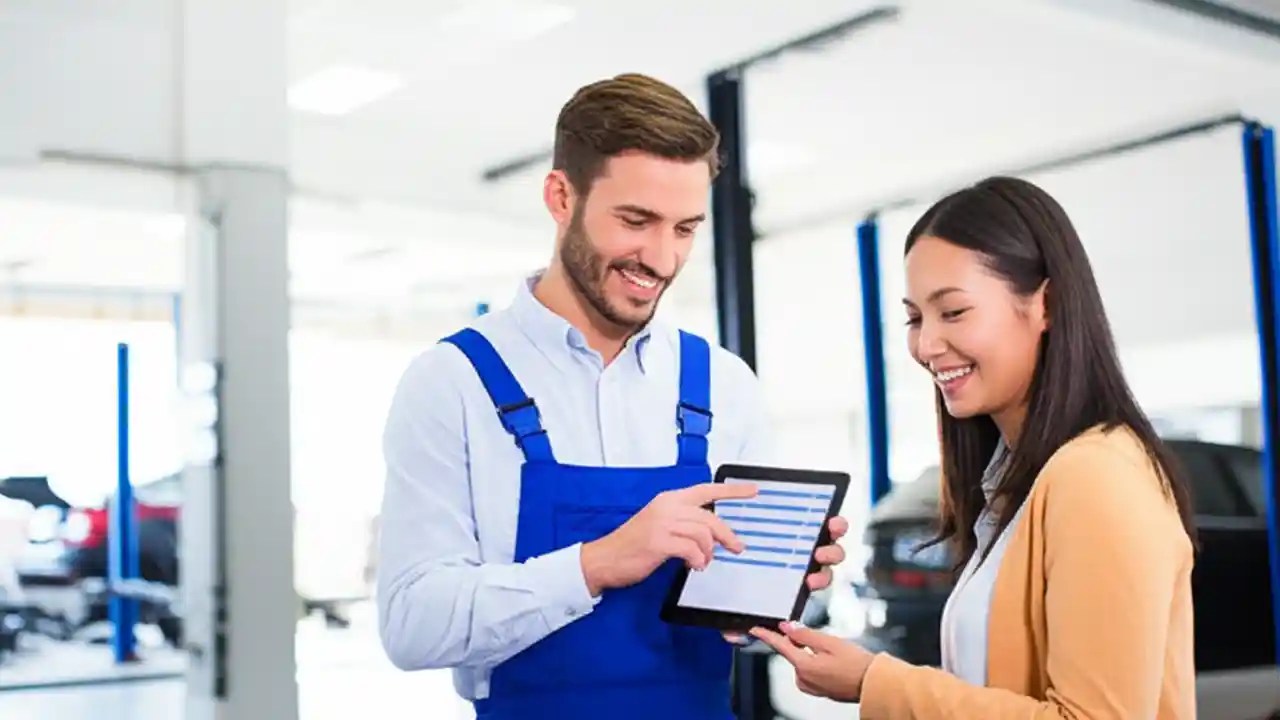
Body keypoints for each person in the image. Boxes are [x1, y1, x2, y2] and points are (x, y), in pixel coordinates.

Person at [375, 73, 848, 720]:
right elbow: (411, 625)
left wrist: (774, 590)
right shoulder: (451, 383)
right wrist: (598, 563)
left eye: (685, 228)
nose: (661, 257)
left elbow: (739, 624)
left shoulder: (725, 385)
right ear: (560, 196)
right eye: (636, 220)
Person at [755, 176, 1198, 718]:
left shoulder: (1099, 475)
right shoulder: (1013, 479)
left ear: (1046, 305)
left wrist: (878, 683)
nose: (926, 344)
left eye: (954, 312)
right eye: (915, 318)